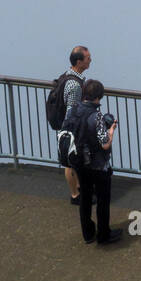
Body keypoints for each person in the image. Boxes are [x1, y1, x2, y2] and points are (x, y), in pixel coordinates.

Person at [69, 79, 122, 246]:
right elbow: (105, 143)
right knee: (102, 200)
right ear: (99, 97)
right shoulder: (96, 116)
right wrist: (111, 130)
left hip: (78, 162)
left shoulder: (73, 110)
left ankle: (88, 233)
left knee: (85, 198)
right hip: (98, 165)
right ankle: (104, 235)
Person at [56, 46, 91, 205]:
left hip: (65, 127)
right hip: (70, 128)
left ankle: (78, 188)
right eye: (88, 58)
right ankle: (75, 195)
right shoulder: (75, 85)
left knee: (72, 160)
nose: (90, 60)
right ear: (79, 61)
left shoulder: (67, 76)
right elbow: (72, 110)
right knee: (70, 161)